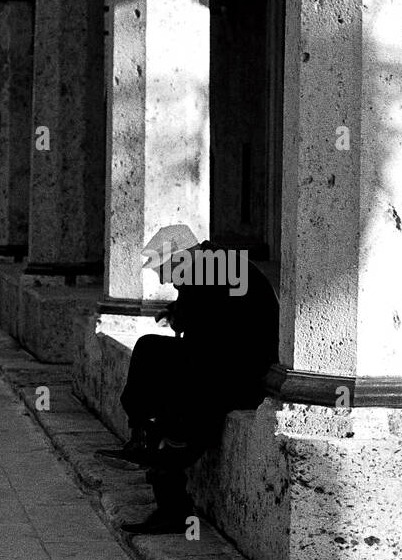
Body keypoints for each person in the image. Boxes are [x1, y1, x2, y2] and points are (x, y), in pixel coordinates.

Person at [99, 224, 279, 534]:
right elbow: (207, 321)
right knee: (151, 351)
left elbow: (204, 334)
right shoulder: (213, 265)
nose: (164, 278)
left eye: (165, 269)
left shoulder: (210, 270)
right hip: (223, 361)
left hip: (238, 374)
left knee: (170, 387)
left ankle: (169, 496)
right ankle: (142, 434)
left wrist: (180, 315)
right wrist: (177, 311)